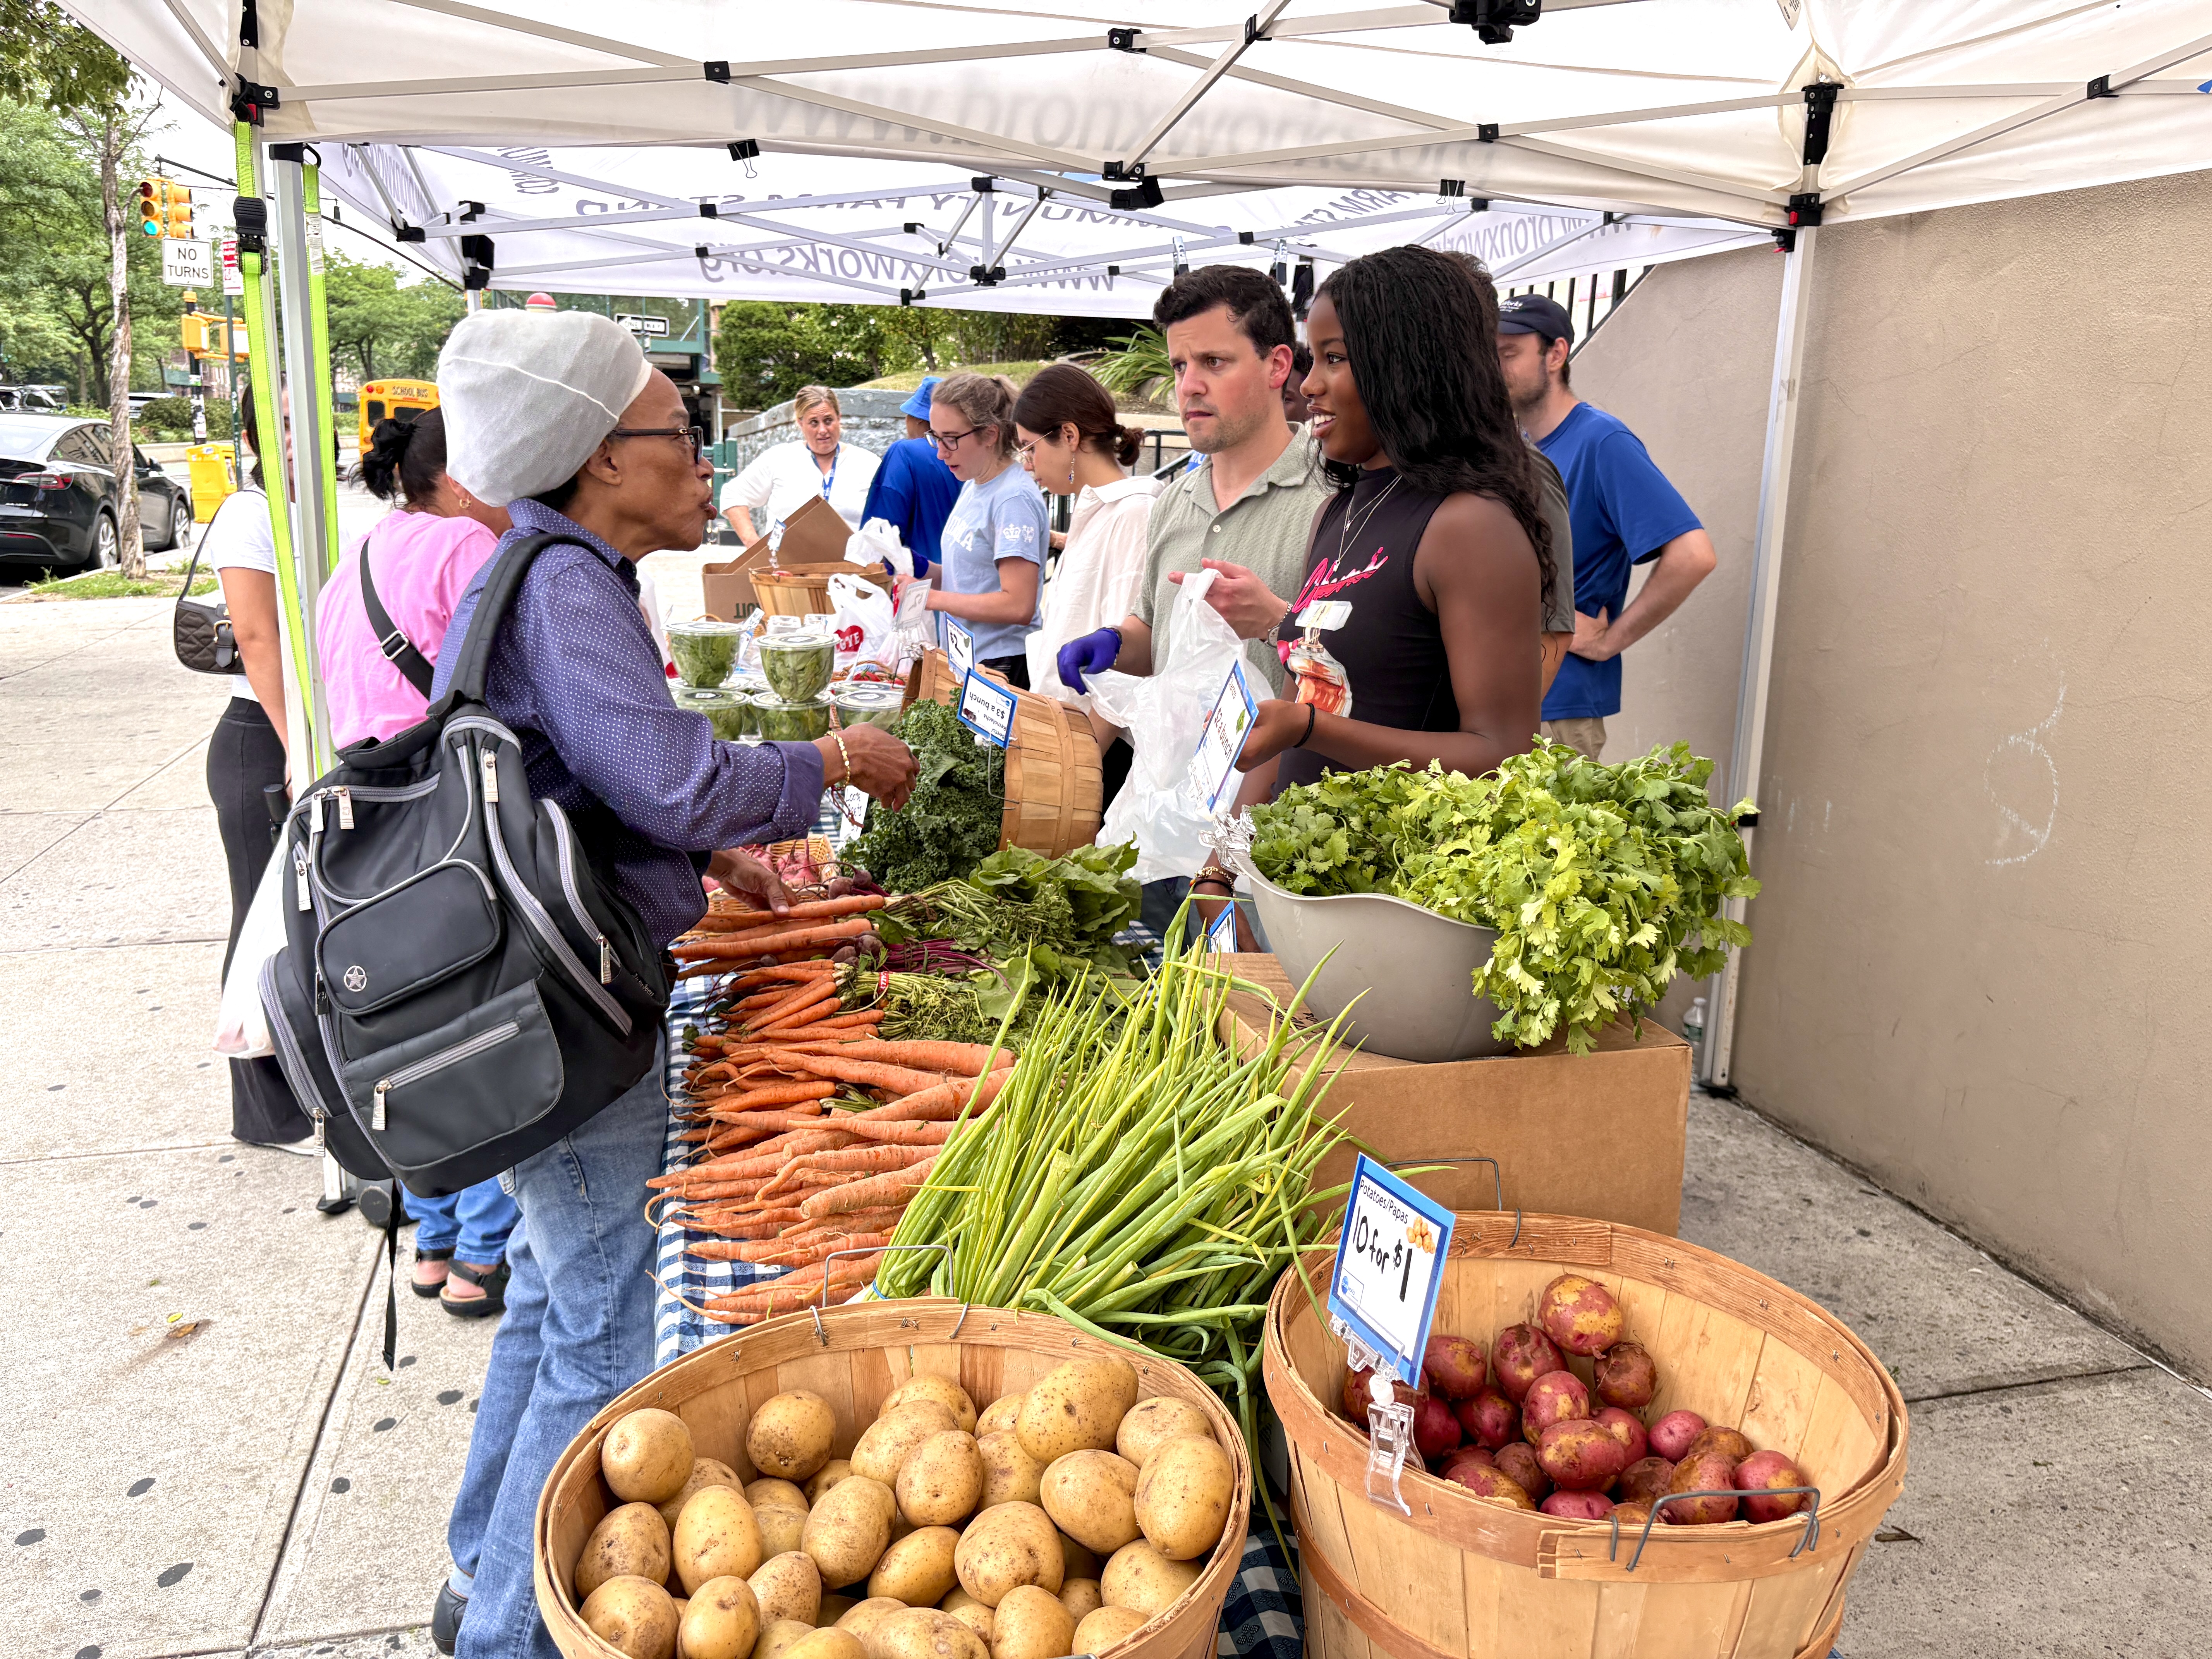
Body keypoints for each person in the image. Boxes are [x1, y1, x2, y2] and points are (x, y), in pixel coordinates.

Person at [422, 311, 917, 1659]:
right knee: (595, 1342)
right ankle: (510, 1642)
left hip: (537, 1009)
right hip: (566, 1023)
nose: (702, 464)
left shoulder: (545, 568)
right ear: (598, 460)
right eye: (678, 438)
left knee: (545, 1296)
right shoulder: (566, 582)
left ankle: (479, 1575)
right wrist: (828, 760)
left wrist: (719, 855)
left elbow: (614, 782)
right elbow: (669, 775)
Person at [1221, 245, 1553, 810]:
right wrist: (1221, 866)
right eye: (1313, 358)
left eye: (1335, 358)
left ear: (1406, 366)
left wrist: (1310, 728)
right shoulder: (1336, 513)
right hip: (1295, 882)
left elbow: (1500, 757)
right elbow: (1295, 701)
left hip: (1393, 888)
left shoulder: (1468, 526)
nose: (1308, 386)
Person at [314, 406, 518, 1317]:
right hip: (446, 832)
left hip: (362, 834)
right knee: (476, 1030)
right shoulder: (466, 548)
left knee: (407, 1033)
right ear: (467, 477)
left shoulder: (352, 561)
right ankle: (480, 1257)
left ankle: (433, 1243)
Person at [1053, 265, 1326, 936]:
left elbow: (1336, 672)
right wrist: (1118, 644)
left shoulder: (1330, 500)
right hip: (1166, 824)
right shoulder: (1172, 498)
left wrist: (1282, 619)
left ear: (1277, 365)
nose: (1189, 386)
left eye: (1213, 361)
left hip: (1273, 852)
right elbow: (1156, 631)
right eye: (1179, 365)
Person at [1496, 292, 1715, 759]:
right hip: (1499, 701)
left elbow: (1693, 555)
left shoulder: (1601, 440)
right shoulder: (1512, 444)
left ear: (1555, 354)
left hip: (1558, 712)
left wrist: (1611, 641)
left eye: (1508, 353)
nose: (1494, 367)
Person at [203, 377, 311, 1153]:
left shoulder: (316, 514)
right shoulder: (248, 512)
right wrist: (296, 745)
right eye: (281, 421)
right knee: (260, 922)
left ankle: (310, 1090)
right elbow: (258, 638)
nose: (302, 432)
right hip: (263, 738)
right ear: (256, 438)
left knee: (307, 921)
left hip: (308, 736)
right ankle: (267, 1116)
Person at [1013, 363, 1159, 808]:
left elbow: (1130, 666)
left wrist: (1073, 770)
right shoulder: (1095, 507)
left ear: (1070, 436)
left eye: (1029, 448)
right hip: (1066, 741)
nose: (1026, 464)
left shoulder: (1135, 512)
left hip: (1101, 753)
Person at [921, 371, 1049, 688]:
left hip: (1001, 666)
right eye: (935, 437)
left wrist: (933, 599)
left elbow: (1018, 604)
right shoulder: (976, 482)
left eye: (951, 438)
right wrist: (920, 569)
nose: (941, 452)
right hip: (970, 659)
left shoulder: (1012, 499)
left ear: (990, 434)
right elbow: (972, 580)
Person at [719, 385, 879, 543]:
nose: (823, 430)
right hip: (786, 566)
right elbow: (732, 494)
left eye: (828, 421)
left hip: (848, 567)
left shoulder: (868, 464)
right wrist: (754, 544)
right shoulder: (780, 458)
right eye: (814, 423)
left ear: (839, 418)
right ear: (801, 423)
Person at [859, 376, 960, 575]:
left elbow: (880, 531)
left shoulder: (904, 453)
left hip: (919, 586)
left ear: (918, 419)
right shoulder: (969, 456)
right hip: (964, 585)